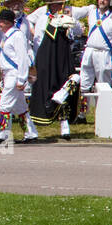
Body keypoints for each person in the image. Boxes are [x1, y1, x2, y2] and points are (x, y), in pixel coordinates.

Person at [72, 0, 112, 124]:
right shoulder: (91, 11)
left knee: (104, 85)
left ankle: (103, 117)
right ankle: (81, 114)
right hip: (89, 51)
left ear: (110, 1)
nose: (102, 1)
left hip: (104, 54)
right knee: (84, 84)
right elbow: (74, 12)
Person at [28, 12, 81, 140]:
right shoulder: (48, 45)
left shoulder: (64, 42)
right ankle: (29, 131)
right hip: (50, 75)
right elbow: (45, 64)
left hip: (63, 72)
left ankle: (64, 128)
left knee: (73, 82)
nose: (65, 31)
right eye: (63, 29)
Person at [0, 8, 37, 144]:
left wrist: (21, 79)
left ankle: (1, 134)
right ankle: (30, 133)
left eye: (1, 22)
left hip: (14, 74)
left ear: (7, 22)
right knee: (20, 107)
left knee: (4, 105)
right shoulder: (7, 37)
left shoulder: (17, 36)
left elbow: (23, 58)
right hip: (8, 74)